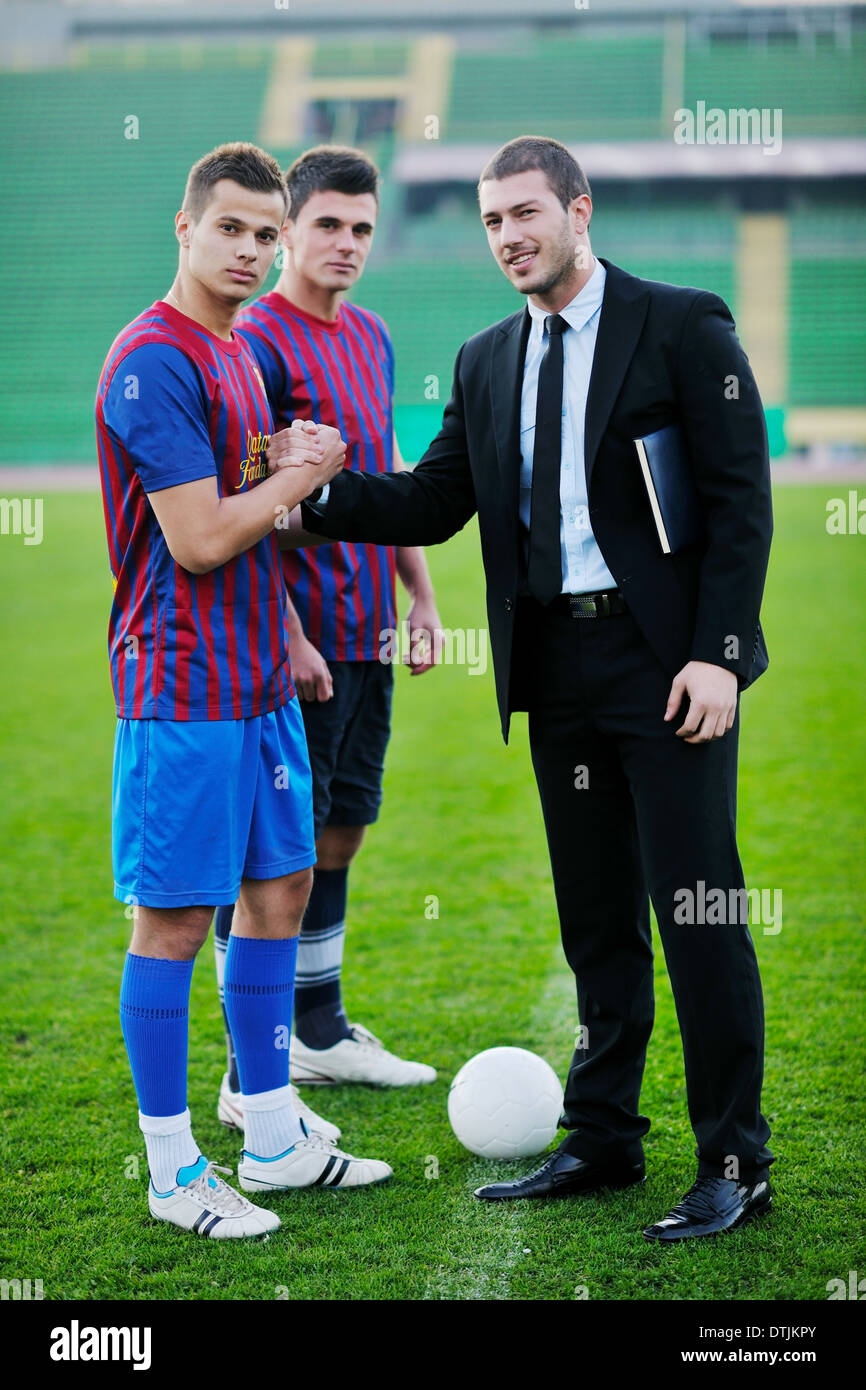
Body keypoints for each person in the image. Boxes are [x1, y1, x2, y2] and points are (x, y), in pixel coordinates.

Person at [281, 135, 776, 1242]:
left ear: (577, 210)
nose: (508, 236)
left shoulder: (680, 323)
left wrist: (718, 651)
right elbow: (432, 500)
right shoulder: (484, 357)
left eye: (524, 213)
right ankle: (602, 1136)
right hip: (554, 671)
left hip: (665, 669)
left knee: (697, 912)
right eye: (491, 219)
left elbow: (741, 498)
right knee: (594, 918)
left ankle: (734, 1158)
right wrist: (310, 497)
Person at [95, 141, 392, 1238]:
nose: (252, 250)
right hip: (180, 691)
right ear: (185, 228)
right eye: (232, 228)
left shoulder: (234, 355)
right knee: (171, 920)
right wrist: (298, 471)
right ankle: (174, 1168)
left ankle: (269, 1131)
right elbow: (204, 537)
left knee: (282, 887)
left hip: (259, 679)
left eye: (267, 233)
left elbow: (256, 528)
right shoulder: (153, 361)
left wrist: (291, 633)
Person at [213, 145, 438, 1136]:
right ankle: (245, 1063)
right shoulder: (255, 341)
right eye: (325, 226)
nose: (345, 244)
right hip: (291, 647)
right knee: (275, 858)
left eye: (360, 227)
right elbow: (255, 504)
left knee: (341, 828)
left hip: (368, 631)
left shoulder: (374, 334)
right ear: (286, 231)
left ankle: (321, 1029)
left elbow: (383, 477)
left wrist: (420, 599)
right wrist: (290, 633)